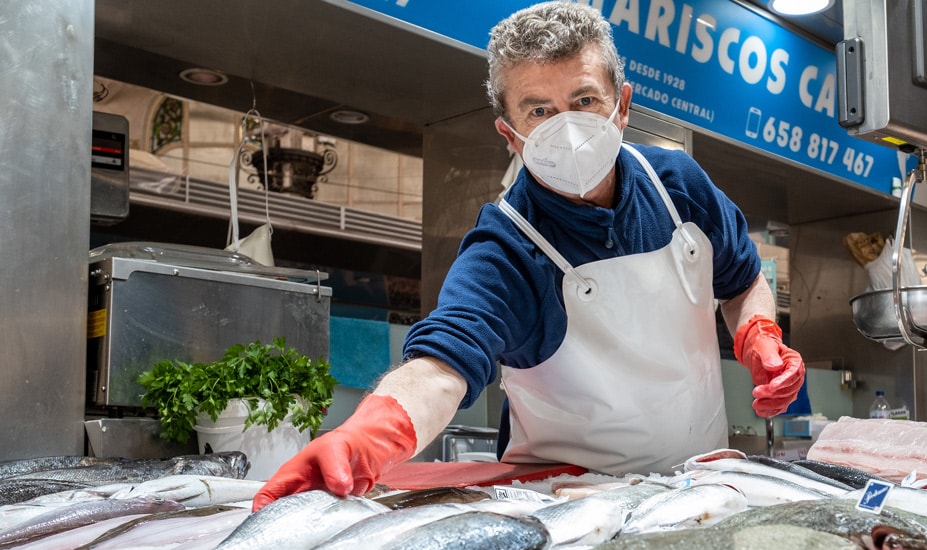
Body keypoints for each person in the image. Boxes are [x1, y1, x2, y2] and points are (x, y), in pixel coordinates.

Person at [252, 1, 805, 510]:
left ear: (622, 106)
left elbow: (741, 279)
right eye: (540, 110)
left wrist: (758, 333)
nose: (568, 128)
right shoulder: (506, 247)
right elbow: (442, 366)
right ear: (511, 134)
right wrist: (367, 436)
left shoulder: (678, 186)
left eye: (584, 101)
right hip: (569, 505)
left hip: (700, 487)